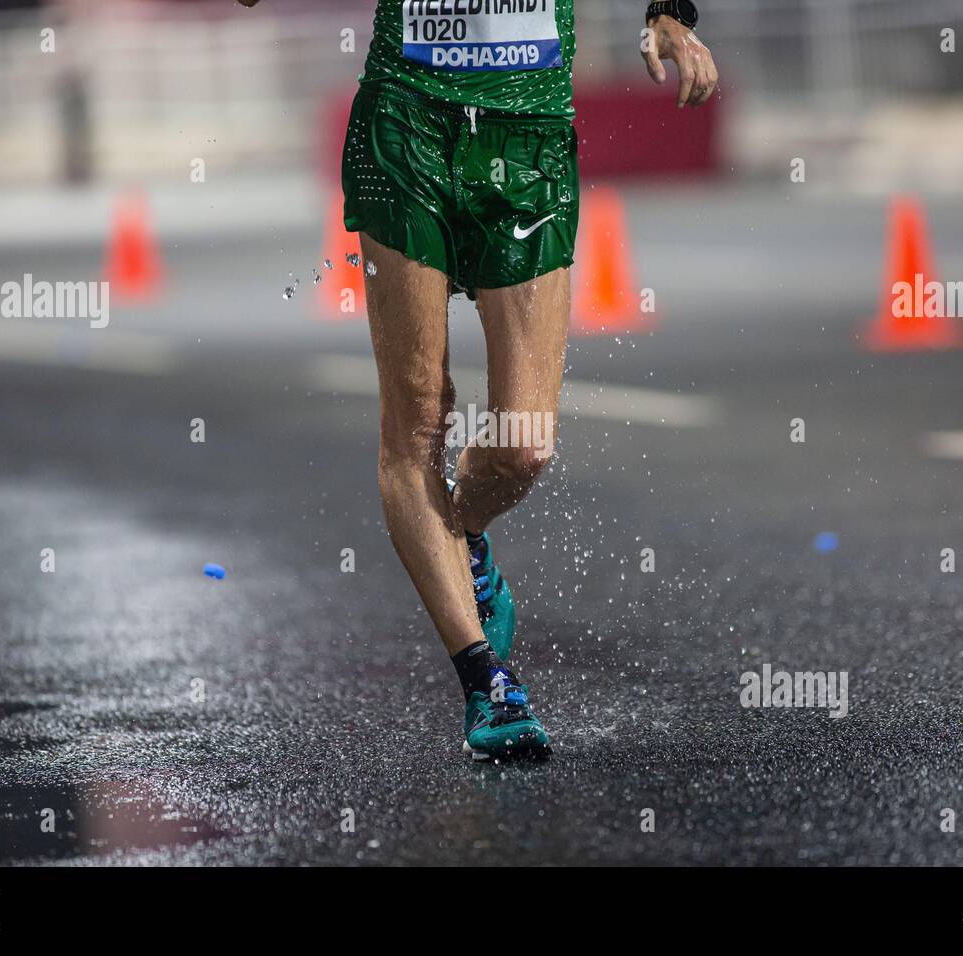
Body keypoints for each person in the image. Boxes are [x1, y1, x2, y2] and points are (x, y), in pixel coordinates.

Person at [249, 0, 718, 759]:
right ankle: (485, 681)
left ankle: (462, 534)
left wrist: (668, 13)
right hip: (406, 122)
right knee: (420, 417)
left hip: (528, 135)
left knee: (523, 447)